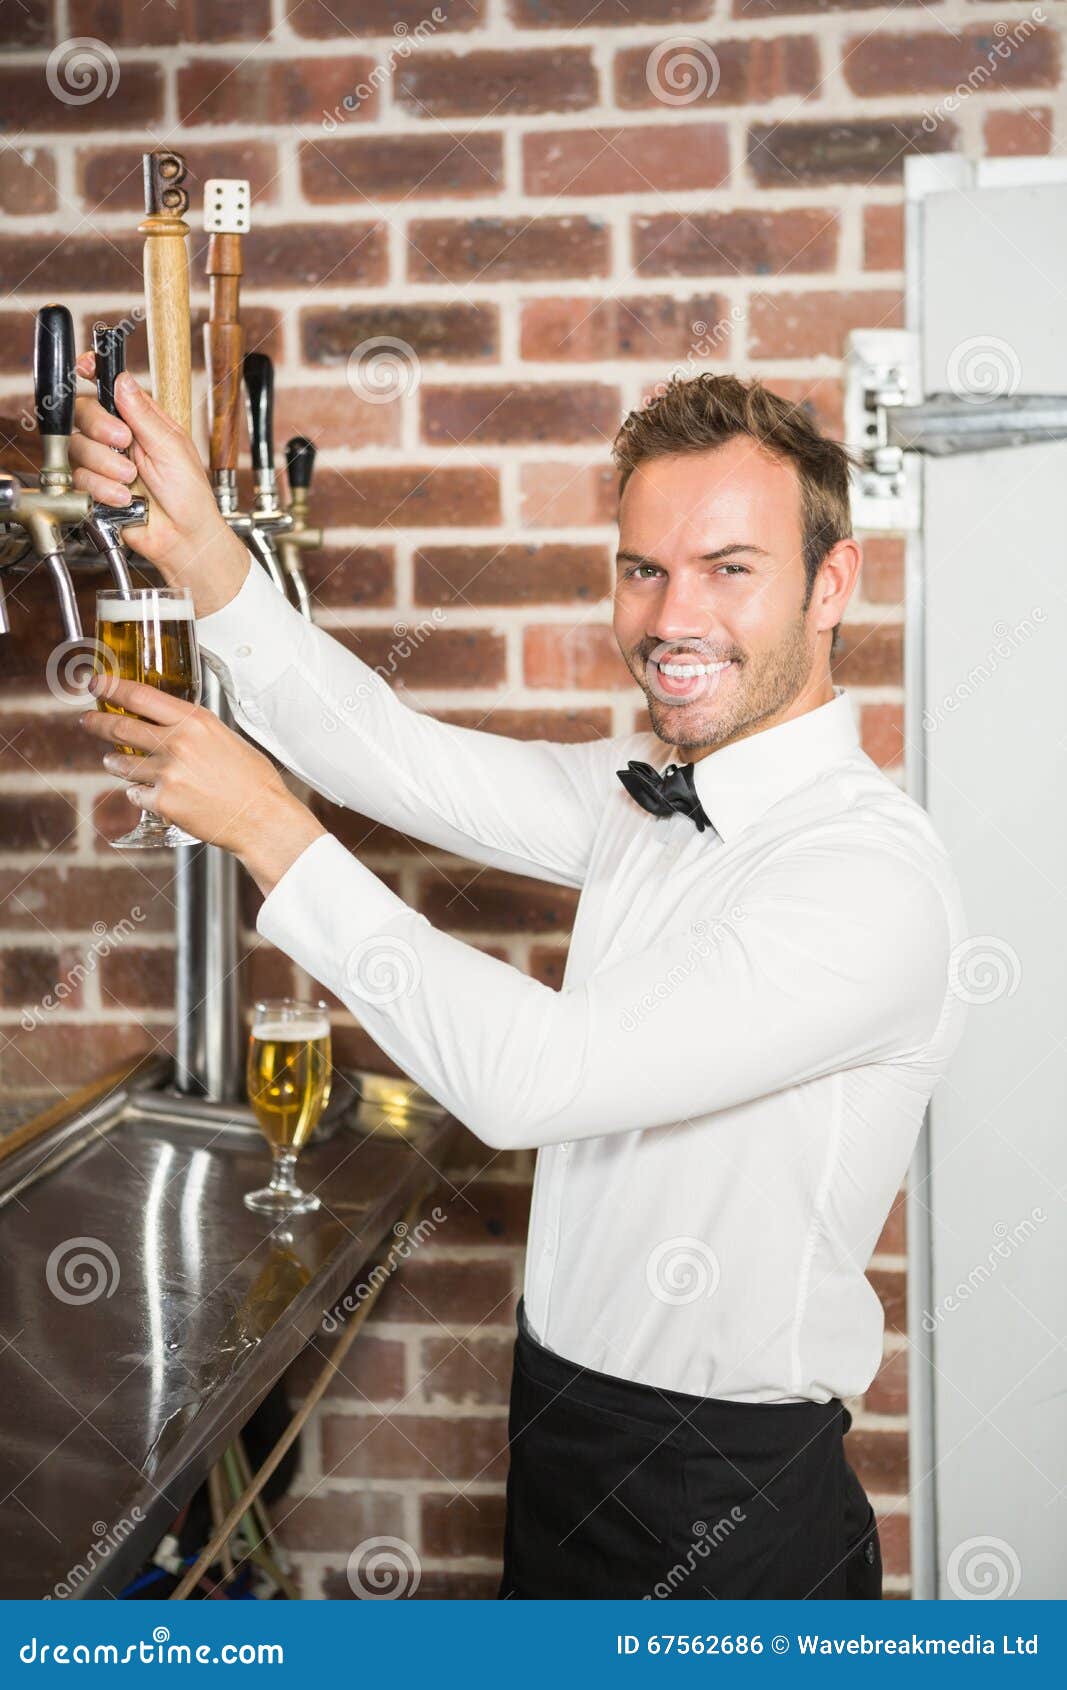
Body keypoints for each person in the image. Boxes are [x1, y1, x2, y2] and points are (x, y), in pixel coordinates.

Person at [70, 364, 968, 1600]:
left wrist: (272, 830)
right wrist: (204, 551)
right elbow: (388, 754)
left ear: (830, 583)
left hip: (724, 1499)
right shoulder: (648, 790)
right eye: (641, 568)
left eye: (727, 568)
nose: (668, 617)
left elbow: (539, 1080)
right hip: (559, 1429)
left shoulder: (865, 878)